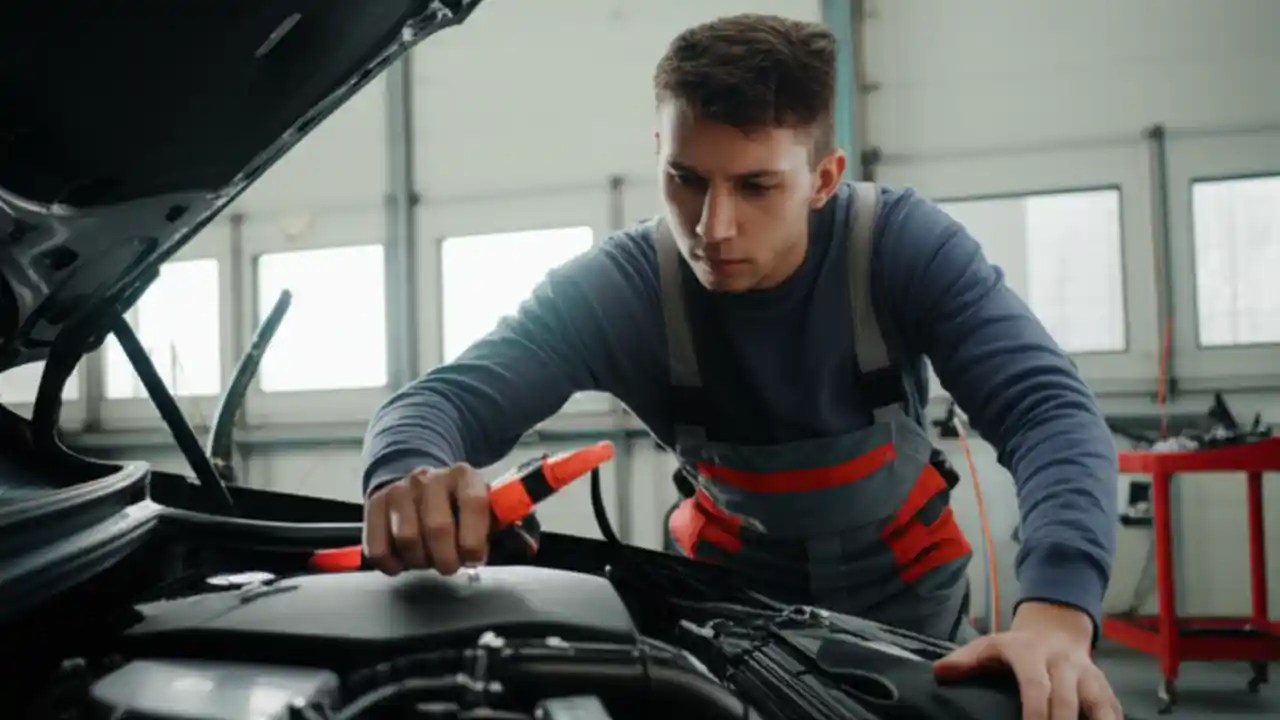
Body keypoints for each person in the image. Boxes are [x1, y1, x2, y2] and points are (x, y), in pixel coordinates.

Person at [360, 13, 1122, 720]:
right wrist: (406, 473)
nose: (711, 227)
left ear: (824, 178)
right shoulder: (622, 289)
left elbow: (1046, 410)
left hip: (914, 624)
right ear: (657, 152)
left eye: (756, 186)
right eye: (685, 180)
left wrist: (1056, 610)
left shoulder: (900, 248)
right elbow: (440, 403)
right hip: (729, 624)